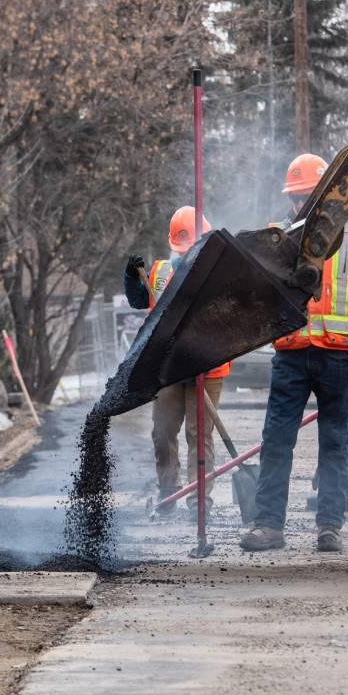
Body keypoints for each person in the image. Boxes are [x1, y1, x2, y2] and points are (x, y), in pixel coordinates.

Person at [240, 155, 348, 554]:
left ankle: (329, 528)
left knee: (336, 442)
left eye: (308, 195)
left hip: (337, 359)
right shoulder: (278, 238)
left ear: (324, 196)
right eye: (297, 196)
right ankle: (269, 526)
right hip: (290, 355)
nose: (301, 203)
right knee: (276, 440)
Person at [124, 206, 231, 522]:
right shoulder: (158, 273)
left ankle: (200, 500)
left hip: (206, 367)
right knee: (163, 432)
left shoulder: (221, 275)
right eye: (181, 251)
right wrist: (131, 277)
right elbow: (139, 301)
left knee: (199, 435)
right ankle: (167, 492)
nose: (186, 257)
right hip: (168, 368)